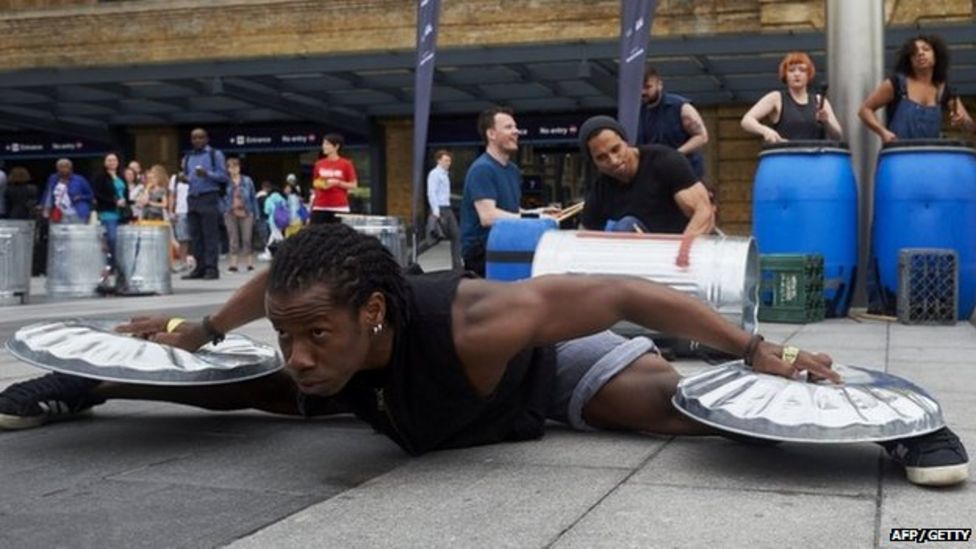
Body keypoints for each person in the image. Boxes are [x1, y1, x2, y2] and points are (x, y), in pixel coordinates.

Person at [0, 223, 967, 487]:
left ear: (376, 312)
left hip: (546, 372)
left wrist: (764, 348)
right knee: (228, 394)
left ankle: (891, 425)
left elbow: (628, 295)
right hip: (407, 393)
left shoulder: (479, 319)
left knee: (679, 410)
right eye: (289, 333)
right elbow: (291, 275)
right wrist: (202, 334)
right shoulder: (325, 332)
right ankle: (79, 387)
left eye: (314, 336)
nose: (295, 352)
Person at [578, 116, 714, 246]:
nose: (613, 160)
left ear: (626, 142)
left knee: (625, 226)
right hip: (644, 260)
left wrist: (683, 251)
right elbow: (584, 238)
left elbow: (703, 211)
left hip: (686, 251)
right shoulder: (600, 190)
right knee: (624, 228)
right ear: (594, 162)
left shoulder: (665, 161)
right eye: (602, 157)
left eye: (616, 149)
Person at [859, 35, 974, 142]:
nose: (920, 53)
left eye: (926, 49)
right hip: (898, 155)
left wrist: (963, 120)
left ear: (936, 55)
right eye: (914, 52)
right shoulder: (896, 84)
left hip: (930, 158)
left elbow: (971, 127)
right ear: (909, 60)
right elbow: (865, 110)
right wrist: (883, 132)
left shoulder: (944, 90)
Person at [459, 106, 525, 276]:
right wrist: (529, 219)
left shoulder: (513, 170)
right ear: (491, 134)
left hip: (507, 246)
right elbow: (488, 216)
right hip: (484, 254)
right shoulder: (482, 169)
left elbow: (510, 212)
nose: (516, 131)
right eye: (509, 127)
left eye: (515, 127)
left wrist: (538, 213)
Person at [740, 52, 844, 143]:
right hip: (786, 158)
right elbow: (747, 120)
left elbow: (837, 135)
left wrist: (826, 121)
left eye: (802, 70)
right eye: (791, 70)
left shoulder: (820, 101)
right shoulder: (776, 98)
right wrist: (766, 131)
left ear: (809, 74)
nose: (797, 74)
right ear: (785, 75)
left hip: (815, 160)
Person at [637, 67, 709, 180]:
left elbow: (702, 136)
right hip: (654, 175)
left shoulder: (680, 107)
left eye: (647, 87)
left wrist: (675, 155)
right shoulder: (635, 112)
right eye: (639, 88)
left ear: (659, 85)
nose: (643, 92)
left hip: (686, 173)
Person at [181, 128, 229, 280]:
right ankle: (199, 267)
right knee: (195, 235)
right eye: (194, 138)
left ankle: (211, 268)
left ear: (207, 139)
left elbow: (223, 176)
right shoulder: (188, 157)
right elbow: (189, 176)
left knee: (210, 234)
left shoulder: (215, 155)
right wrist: (184, 178)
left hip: (209, 196)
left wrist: (207, 174)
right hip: (193, 197)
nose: (197, 140)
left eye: (200, 137)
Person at [221, 157, 259, 272]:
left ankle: (249, 263)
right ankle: (234, 264)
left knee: (247, 238)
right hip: (230, 212)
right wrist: (223, 210)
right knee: (233, 238)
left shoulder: (247, 181)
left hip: (247, 211)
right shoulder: (225, 182)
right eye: (230, 167)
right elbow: (221, 197)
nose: (233, 169)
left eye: (235, 166)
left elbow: (253, 197)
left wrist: (256, 214)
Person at [91, 153, 129, 268]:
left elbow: (126, 192)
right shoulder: (100, 177)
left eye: (114, 160)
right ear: (105, 162)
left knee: (121, 239)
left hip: (122, 212)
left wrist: (125, 201)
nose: (112, 162)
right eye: (109, 160)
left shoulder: (121, 176)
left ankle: (120, 262)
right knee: (112, 237)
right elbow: (98, 194)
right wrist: (114, 202)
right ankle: (112, 262)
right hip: (108, 211)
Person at [426, 149, 462, 270]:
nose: (448, 163)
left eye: (450, 161)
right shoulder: (434, 174)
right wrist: (435, 211)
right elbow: (432, 193)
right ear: (438, 160)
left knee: (456, 236)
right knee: (434, 239)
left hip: (447, 208)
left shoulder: (445, 175)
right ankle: (411, 256)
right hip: (440, 209)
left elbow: (445, 194)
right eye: (446, 160)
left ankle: (457, 267)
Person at [310, 133, 357, 225]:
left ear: (336, 147)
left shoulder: (346, 164)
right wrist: (323, 184)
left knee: (339, 236)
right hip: (320, 206)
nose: (324, 146)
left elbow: (353, 184)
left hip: (339, 206)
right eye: (323, 144)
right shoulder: (319, 164)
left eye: (327, 144)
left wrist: (337, 183)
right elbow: (315, 182)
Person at [40, 158, 93, 224]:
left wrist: (80, 197)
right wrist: (44, 207)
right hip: (58, 213)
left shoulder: (80, 179)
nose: (63, 169)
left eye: (66, 166)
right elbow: (48, 194)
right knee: (58, 233)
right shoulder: (53, 178)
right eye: (61, 167)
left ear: (70, 168)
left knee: (77, 233)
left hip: (77, 212)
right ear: (57, 168)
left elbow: (90, 195)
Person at [168, 170, 194, 273]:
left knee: (194, 238)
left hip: (193, 209)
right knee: (182, 238)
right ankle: (183, 262)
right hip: (180, 210)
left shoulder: (194, 176)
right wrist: (171, 211)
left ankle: (195, 260)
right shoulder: (175, 178)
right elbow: (172, 196)